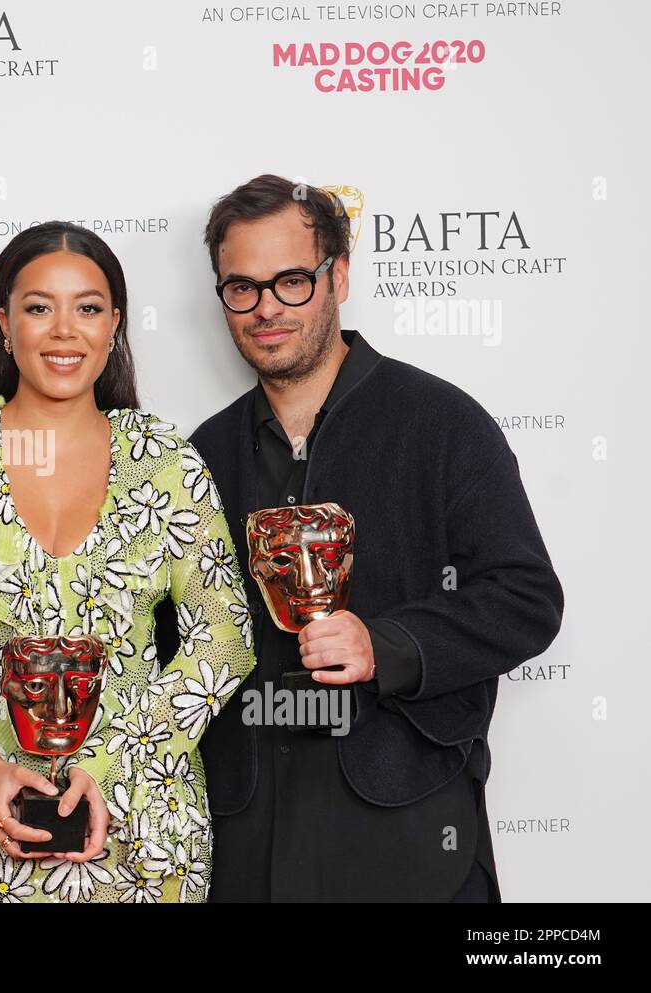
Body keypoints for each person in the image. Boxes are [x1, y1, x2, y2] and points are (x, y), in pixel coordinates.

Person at [165, 174, 563, 901]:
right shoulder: (202, 455)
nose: (266, 309)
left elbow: (526, 598)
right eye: (241, 287)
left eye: (290, 281)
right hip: (246, 848)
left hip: (411, 846)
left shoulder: (442, 423)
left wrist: (387, 644)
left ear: (338, 275)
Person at [0, 221, 256, 903]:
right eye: (38, 306)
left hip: (143, 826)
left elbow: (223, 636)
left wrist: (114, 762)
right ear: (3, 322)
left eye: (87, 307)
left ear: (115, 325)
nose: (63, 330)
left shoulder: (166, 463)